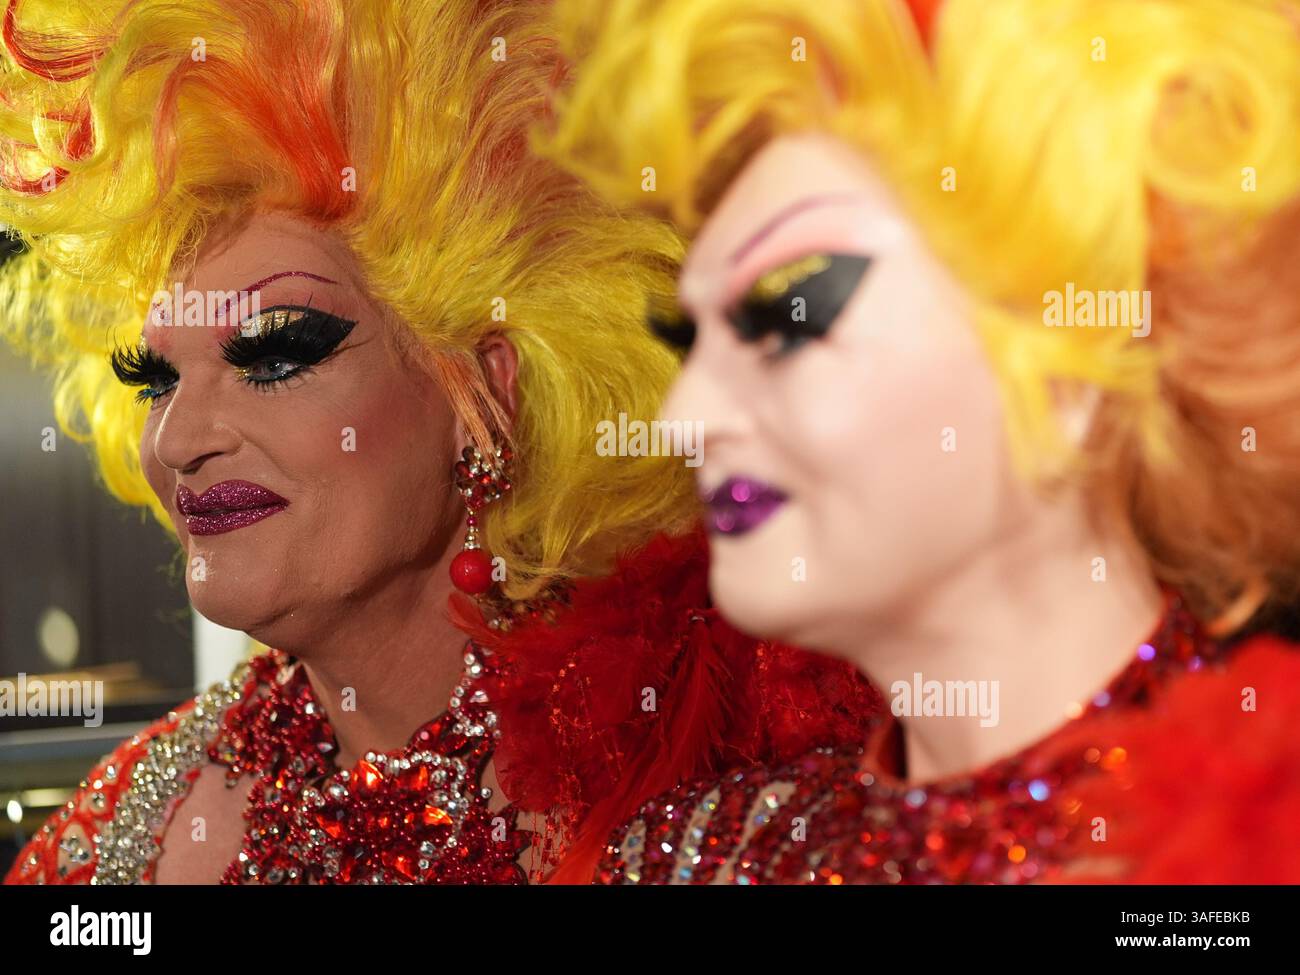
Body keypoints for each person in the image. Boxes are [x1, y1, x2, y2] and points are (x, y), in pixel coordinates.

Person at [0, 0, 878, 885]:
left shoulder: (744, 771)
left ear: (483, 392)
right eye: (155, 380)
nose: (179, 438)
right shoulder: (124, 837)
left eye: (275, 357)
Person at [539, 0, 1300, 883]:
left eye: (788, 320)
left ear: (1075, 366)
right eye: (690, 344)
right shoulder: (694, 857)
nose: (687, 416)